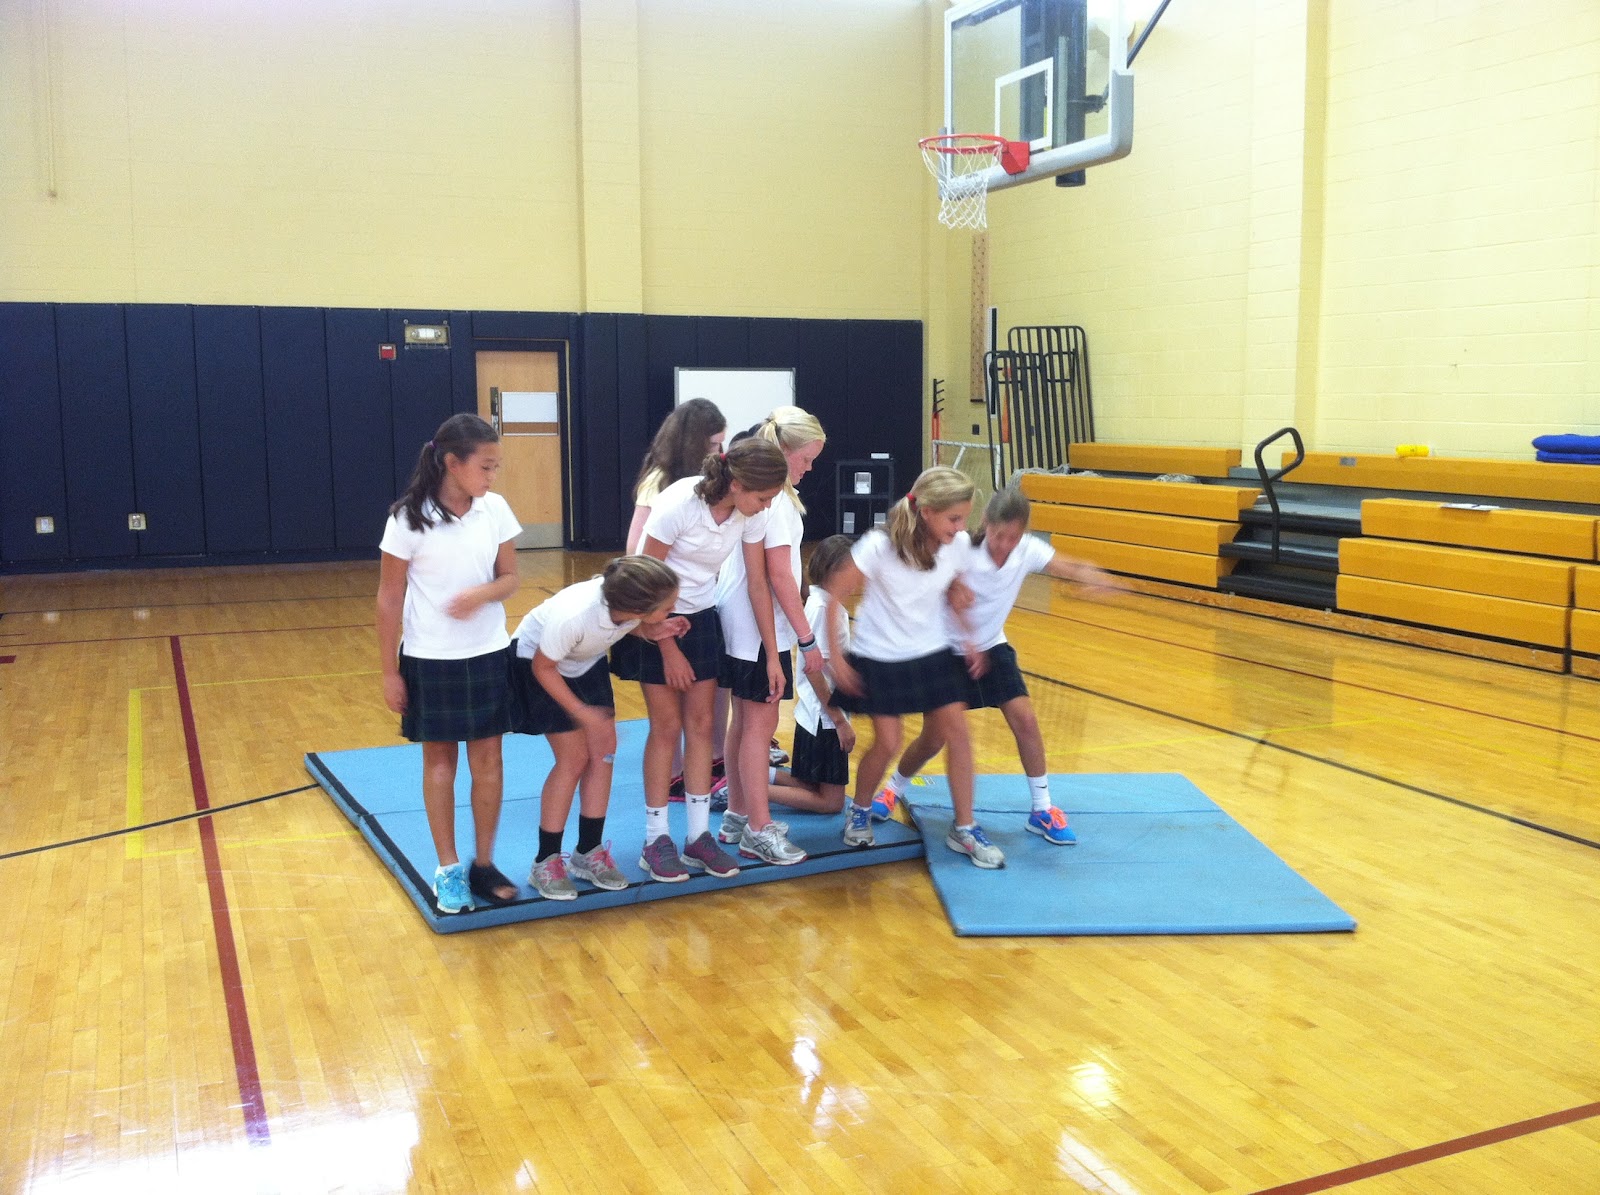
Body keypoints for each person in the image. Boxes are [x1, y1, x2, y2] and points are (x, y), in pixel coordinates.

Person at [870, 482, 1113, 844]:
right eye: (999, 536)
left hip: (992, 646)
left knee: (1026, 720)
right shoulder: (962, 549)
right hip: (948, 651)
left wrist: (1091, 573)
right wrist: (956, 607)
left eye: (1013, 538)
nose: (1004, 545)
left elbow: (1065, 565)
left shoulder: (1026, 551)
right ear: (986, 522)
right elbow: (933, 580)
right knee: (934, 738)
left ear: (1023, 533)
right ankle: (892, 789)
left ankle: (1042, 809)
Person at [612, 437, 790, 882]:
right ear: (737, 484)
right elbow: (644, 580)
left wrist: (772, 653)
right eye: (764, 497)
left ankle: (697, 836)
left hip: (701, 617)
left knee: (703, 726)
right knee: (666, 727)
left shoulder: (749, 515)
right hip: (653, 616)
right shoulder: (679, 504)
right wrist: (666, 644)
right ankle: (655, 840)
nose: (768, 506)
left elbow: (757, 583)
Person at [376, 413, 522, 914]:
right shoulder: (407, 519)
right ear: (453, 463)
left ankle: (485, 863)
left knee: (490, 761)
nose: (492, 476)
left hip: (488, 652)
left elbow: (510, 578)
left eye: (496, 467)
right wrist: (389, 671)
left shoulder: (495, 509)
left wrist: (481, 594)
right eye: (485, 466)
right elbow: (388, 598)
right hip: (430, 659)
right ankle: (449, 869)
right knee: (440, 762)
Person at [826, 466, 1004, 869]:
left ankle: (965, 828)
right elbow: (834, 593)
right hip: (880, 656)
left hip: (931, 652)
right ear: (926, 512)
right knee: (887, 742)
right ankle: (859, 810)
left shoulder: (957, 544)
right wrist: (836, 658)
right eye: (954, 518)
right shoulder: (879, 545)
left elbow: (951, 588)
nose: (961, 528)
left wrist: (968, 635)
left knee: (958, 736)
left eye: (964, 518)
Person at [509, 555, 685, 898]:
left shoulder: (626, 607)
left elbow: (625, 626)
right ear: (640, 607)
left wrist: (654, 630)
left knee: (604, 754)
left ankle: (588, 851)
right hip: (537, 666)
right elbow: (543, 668)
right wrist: (582, 712)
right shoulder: (574, 615)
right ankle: (545, 861)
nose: (674, 609)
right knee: (573, 759)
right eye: (668, 608)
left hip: (583, 662)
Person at [713, 408, 826, 863]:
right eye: (806, 458)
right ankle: (759, 829)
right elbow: (779, 577)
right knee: (759, 727)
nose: (809, 468)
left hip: (738, 623)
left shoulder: (770, 497)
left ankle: (737, 815)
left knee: (744, 723)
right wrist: (806, 638)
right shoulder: (777, 501)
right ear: (785, 450)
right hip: (757, 630)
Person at [752, 535, 856, 819]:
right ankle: (749, 791)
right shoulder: (823, 608)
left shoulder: (822, 603)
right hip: (824, 719)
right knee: (831, 802)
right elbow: (814, 670)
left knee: (810, 786)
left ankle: (759, 778)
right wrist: (839, 721)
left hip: (814, 715)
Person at [625, 398, 728, 554]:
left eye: (720, 444)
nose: (718, 452)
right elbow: (634, 548)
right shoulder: (659, 480)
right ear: (692, 444)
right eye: (713, 444)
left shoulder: (713, 475)